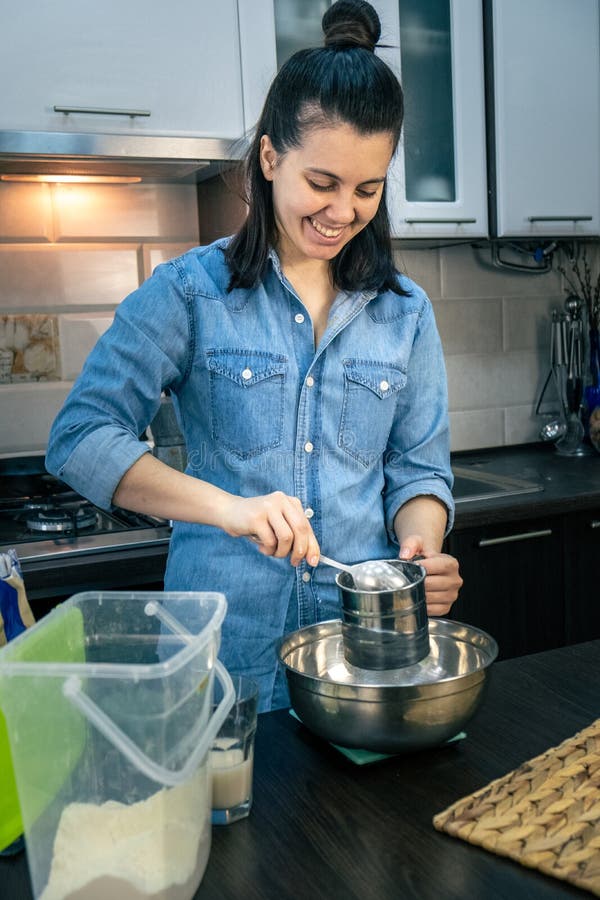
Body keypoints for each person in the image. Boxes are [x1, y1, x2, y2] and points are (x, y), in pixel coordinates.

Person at [46, 0, 462, 712]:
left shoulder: (406, 312)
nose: (343, 212)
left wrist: (419, 548)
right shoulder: (189, 292)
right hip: (221, 664)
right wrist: (230, 510)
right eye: (323, 184)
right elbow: (80, 440)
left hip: (358, 666)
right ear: (270, 157)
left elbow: (419, 470)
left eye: (368, 188)